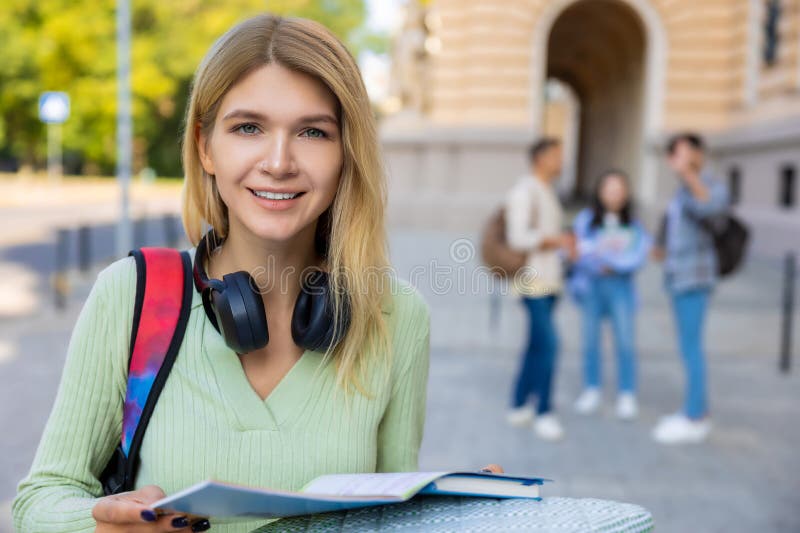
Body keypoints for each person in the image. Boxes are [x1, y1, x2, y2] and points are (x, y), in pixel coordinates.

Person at [10, 14, 499, 533]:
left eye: (313, 131)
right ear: (205, 147)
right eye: (249, 127)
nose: (279, 162)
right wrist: (101, 525)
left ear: (346, 153)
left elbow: (390, 521)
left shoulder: (397, 316)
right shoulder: (130, 296)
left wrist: (457, 513)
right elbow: (40, 499)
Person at [651, 132, 730, 445]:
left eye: (684, 153)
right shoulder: (682, 190)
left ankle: (695, 416)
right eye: (674, 155)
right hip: (678, 276)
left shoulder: (711, 185)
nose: (678, 160)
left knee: (692, 348)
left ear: (698, 154)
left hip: (695, 277)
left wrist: (690, 173)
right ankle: (696, 411)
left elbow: (710, 210)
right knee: (687, 346)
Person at [504, 138, 573, 441]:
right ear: (541, 158)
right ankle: (544, 411)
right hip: (531, 281)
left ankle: (519, 405)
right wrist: (557, 240)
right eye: (557, 156)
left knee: (535, 345)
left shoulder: (547, 190)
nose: (562, 161)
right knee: (550, 345)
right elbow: (518, 237)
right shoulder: (525, 190)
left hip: (550, 280)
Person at [569, 170, 652, 421]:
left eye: (619, 189)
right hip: (592, 287)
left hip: (621, 288)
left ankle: (627, 393)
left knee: (625, 342)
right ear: (600, 191)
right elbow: (577, 251)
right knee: (590, 340)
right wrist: (598, 260)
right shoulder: (586, 220)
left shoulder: (634, 224)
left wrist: (611, 263)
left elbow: (638, 255)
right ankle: (591, 389)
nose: (614, 194)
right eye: (609, 188)